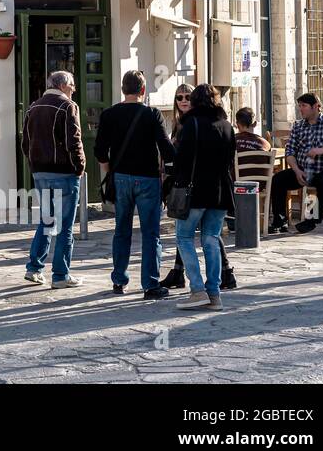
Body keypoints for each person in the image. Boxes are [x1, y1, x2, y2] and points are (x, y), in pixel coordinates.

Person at [95, 70, 174, 299]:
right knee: (151, 233)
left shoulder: (109, 114)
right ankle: (150, 284)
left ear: (123, 89)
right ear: (143, 90)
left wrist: (109, 169)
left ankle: (119, 279)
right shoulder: (152, 114)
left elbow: (99, 149)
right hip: (148, 178)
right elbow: (166, 148)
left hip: (121, 178)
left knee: (122, 230)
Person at [160, 84, 238, 291]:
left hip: (195, 190)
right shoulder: (227, 126)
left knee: (184, 237)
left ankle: (197, 288)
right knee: (211, 238)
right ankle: (214, 290)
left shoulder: (191, 124)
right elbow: (230, 161)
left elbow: (182, 161)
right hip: (220, 191)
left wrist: (174, 181)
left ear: (194, 102)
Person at [21, 71, 85, 289]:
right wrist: (80, 167)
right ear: (64, 85)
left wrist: (34, 165)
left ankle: (34, 268)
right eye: (73, 85)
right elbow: (73, 141)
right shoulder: (67, 106)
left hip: (40, 172)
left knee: (47, 221)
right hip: (63, 172)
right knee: (65, 226)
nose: (74, 89)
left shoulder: (33, 107)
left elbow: (25, 142)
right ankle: (60, 275)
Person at [270, 92, 323, 234]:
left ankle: (311, 220)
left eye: (304, 106)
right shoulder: (298, 126)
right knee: (277, 180)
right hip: (301, 170)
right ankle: (280, 220)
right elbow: (289, 151)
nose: (300, 109)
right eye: (299, 106)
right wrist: (296, 170)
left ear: (316, 106)